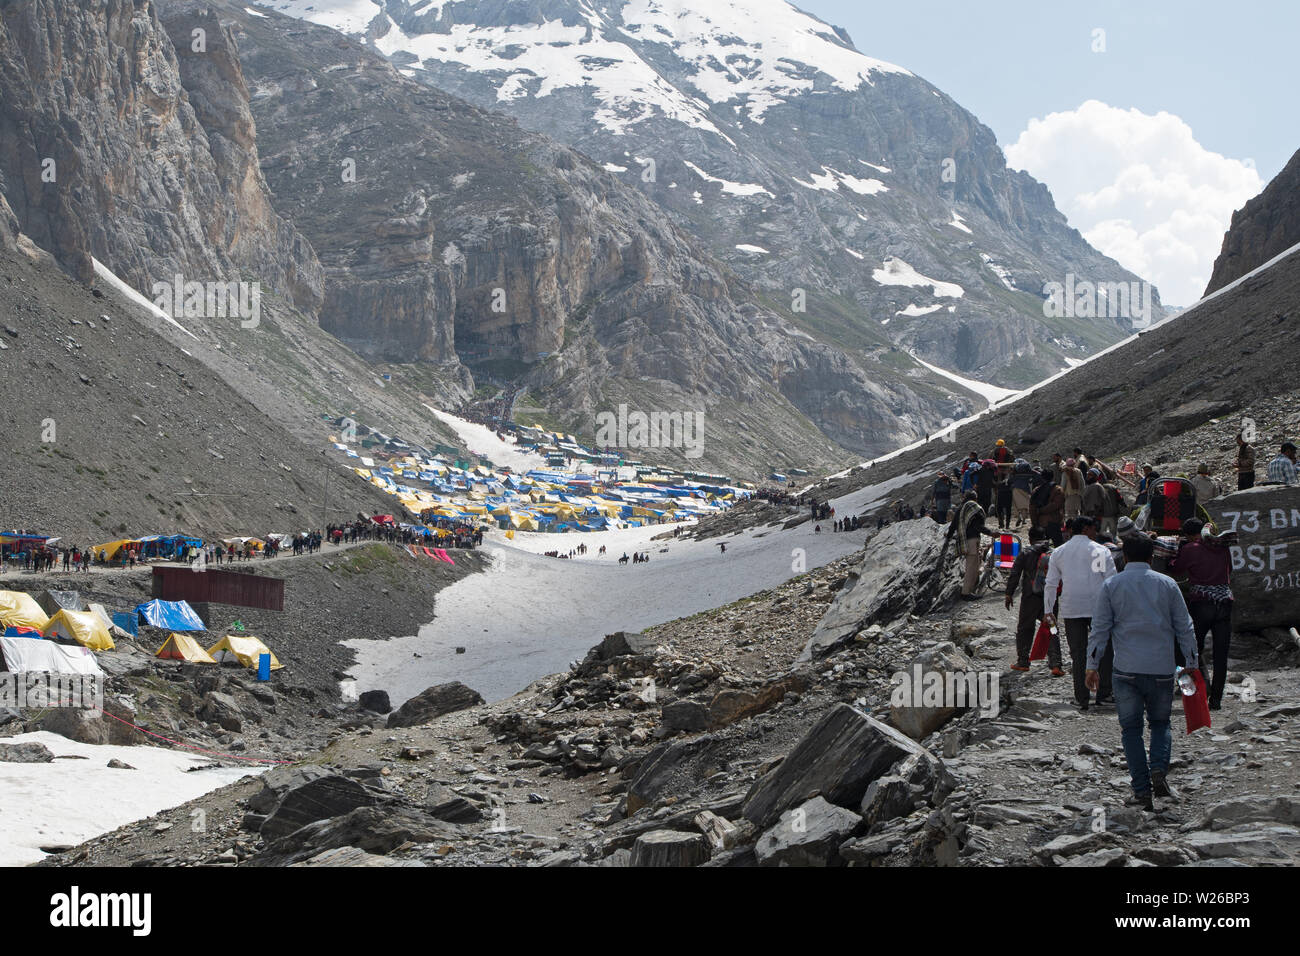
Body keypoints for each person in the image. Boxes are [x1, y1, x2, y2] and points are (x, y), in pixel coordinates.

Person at [1086, 534, 1199, 811]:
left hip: (1126, 670)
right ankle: (1158, 769)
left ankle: (1141, 791)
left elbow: (1100, 629)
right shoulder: (1168, 584)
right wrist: (1191, 662)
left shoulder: (1112, 585)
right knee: (1161, 725)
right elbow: (1185, 626)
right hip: (1161, 668)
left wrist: (1092, 664)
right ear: (1151, 557)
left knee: (1131, 730)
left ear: (1125, 557)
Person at [1043, 516, 1117, 711]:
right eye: (1094, 528)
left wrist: (1048, 610)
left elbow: (1051, 584)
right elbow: (1107, 580)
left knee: (1078, 652)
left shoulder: (1059, 552)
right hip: (1097, 608)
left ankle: (1081, 697)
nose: (1096, 532)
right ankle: (1104, 692)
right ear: (1086, 529)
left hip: (1071, 608)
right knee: (1104, 650)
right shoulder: (1099, 550)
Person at [1168, 519, 1234, 710]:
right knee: (1221, 655)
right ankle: (1216, 701)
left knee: (1186, 650)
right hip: (1224, 603)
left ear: (1189, 535)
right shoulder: (1222, 547)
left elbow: (1176, 568)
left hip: (1201, 604)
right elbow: (1230, 569)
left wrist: (1174, 556)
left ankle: (1195, 692)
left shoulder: (1191, 548)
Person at [1005, 526, 1063, 675]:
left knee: (1025, 628)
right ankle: (1056, 664)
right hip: (1050, 598)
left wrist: (1009, 593)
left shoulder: (1026, 552)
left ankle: (1023, 661)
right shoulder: (1054, 553)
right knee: (1052, 627)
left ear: (1030, 538)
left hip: (1030, 597)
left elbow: (1015, 573)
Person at [946, 491, 996, 600]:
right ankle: (966, 593)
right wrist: (991, 533)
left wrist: (948, 536)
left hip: (964, 541)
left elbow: (953, 525)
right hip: (973, 539)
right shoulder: (975, 508)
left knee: (973, 564)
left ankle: (970, 589)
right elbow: (978, 526)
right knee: (971, 567)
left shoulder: (960, 509)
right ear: (975, 498)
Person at [1029, 473, 1065, 545]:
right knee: (1058, 545)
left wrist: (1034, 522)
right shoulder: (1058, 489)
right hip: (1054, 521)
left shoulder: (1036, 490)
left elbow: (1032, 507)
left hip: (1039, 522)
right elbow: (1056, 505)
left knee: (1041, 546)